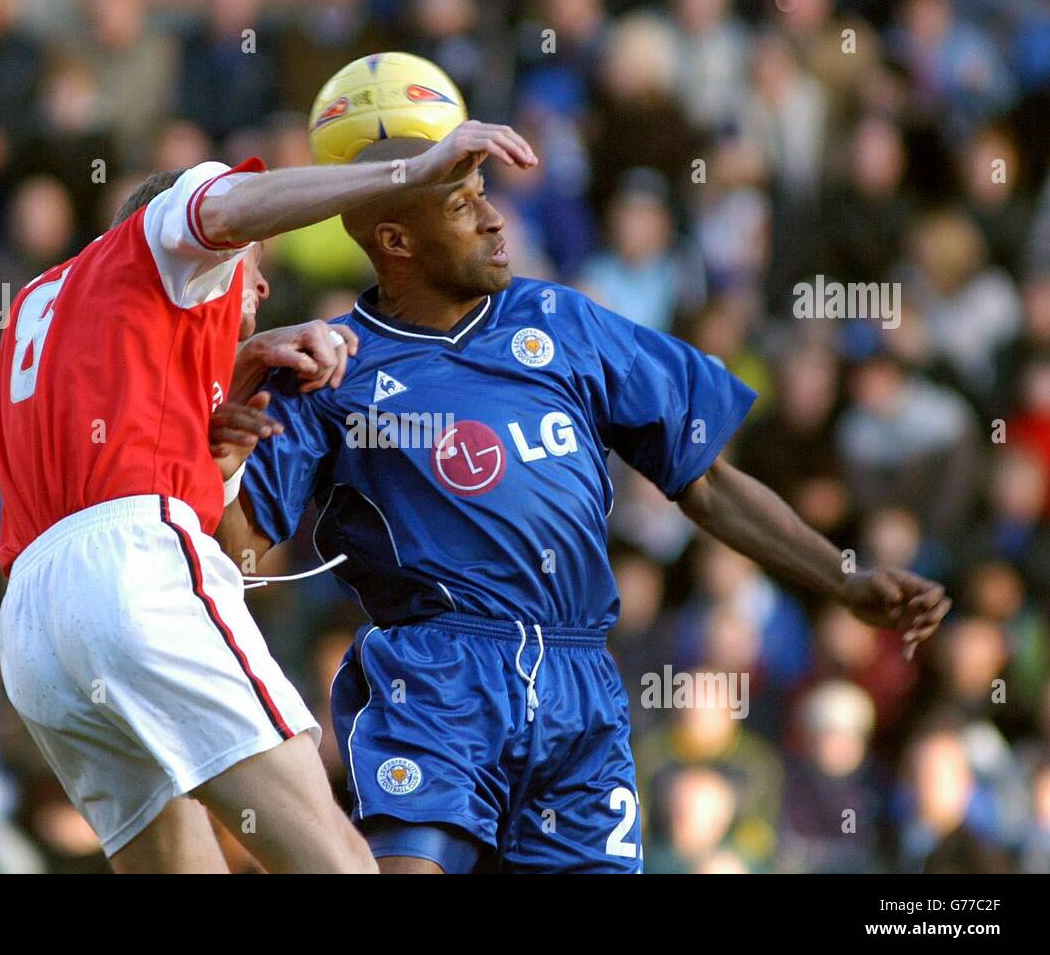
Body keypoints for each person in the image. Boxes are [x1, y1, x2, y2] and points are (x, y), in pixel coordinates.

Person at [216, 130, 953, 873]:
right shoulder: (326, 366)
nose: (494, 218)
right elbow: (238, 554)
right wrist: (220, 460)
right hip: (437, 680)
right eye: (462, 204)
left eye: (487, 196)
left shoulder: (561, 322)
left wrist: (844, 578)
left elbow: (705, 478)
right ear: (396, 238)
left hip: (581, 686)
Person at [0, 120, 538, 873]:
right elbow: (233, 207)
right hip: (131, 570)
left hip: (33, 629)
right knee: (333, 859)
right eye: (255, 263)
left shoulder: (45, 302)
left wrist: (233, 385)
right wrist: (413, 172)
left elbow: (130, 447)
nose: (264, 282)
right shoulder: (164, 230)